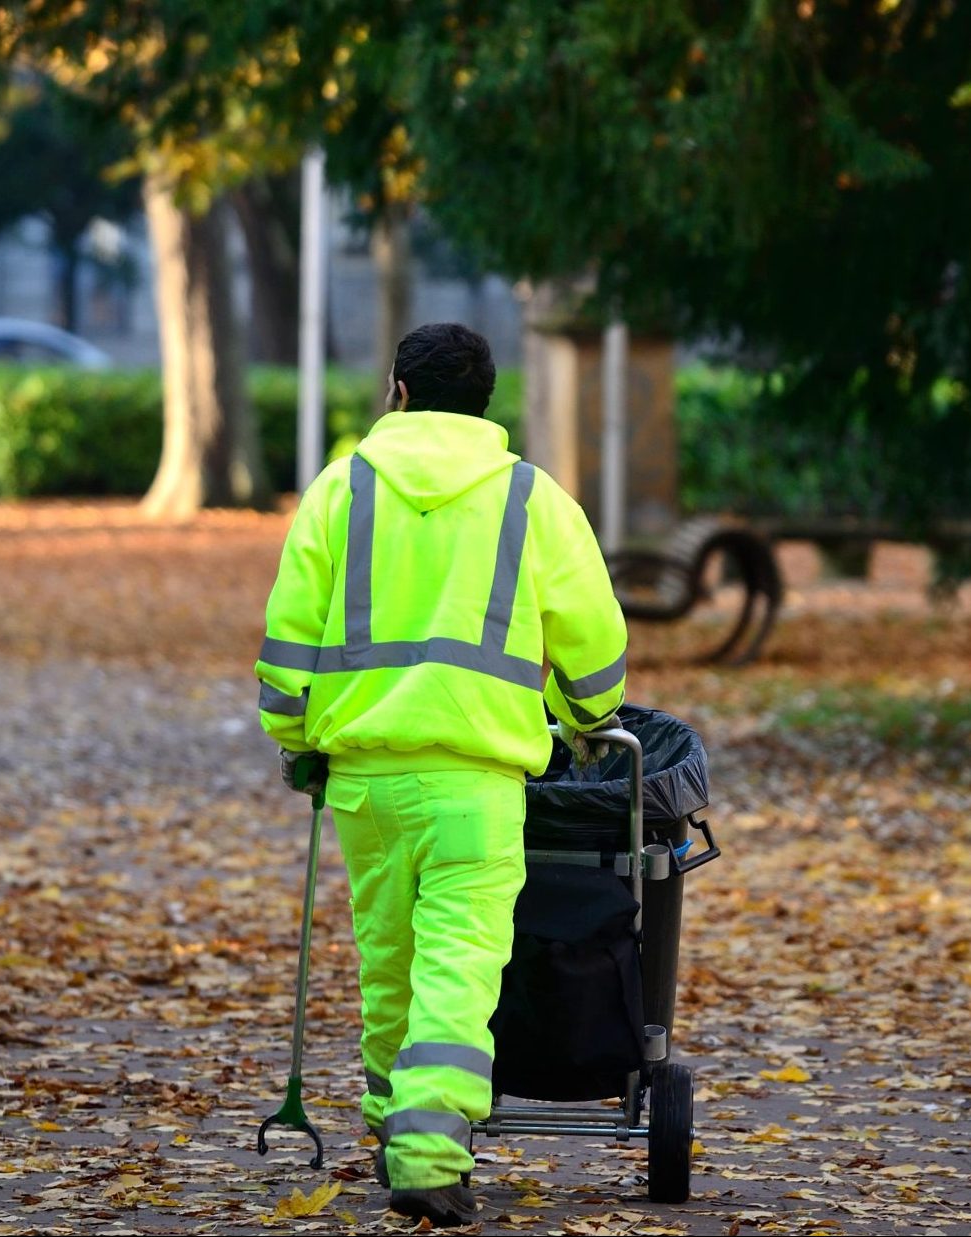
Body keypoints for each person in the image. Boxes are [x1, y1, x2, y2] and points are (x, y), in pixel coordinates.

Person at [255, 322, 628, 1227]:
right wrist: (586, 719)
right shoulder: (532, 499)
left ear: (399, 390)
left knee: (390, 963)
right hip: (475, 780)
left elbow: (288, 641)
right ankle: (427, 1153)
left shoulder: (340, 489)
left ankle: (394, 1127)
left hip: (365, 781)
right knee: (458, 960)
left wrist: (297, 738)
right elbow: (592, 645)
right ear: (487, 401)